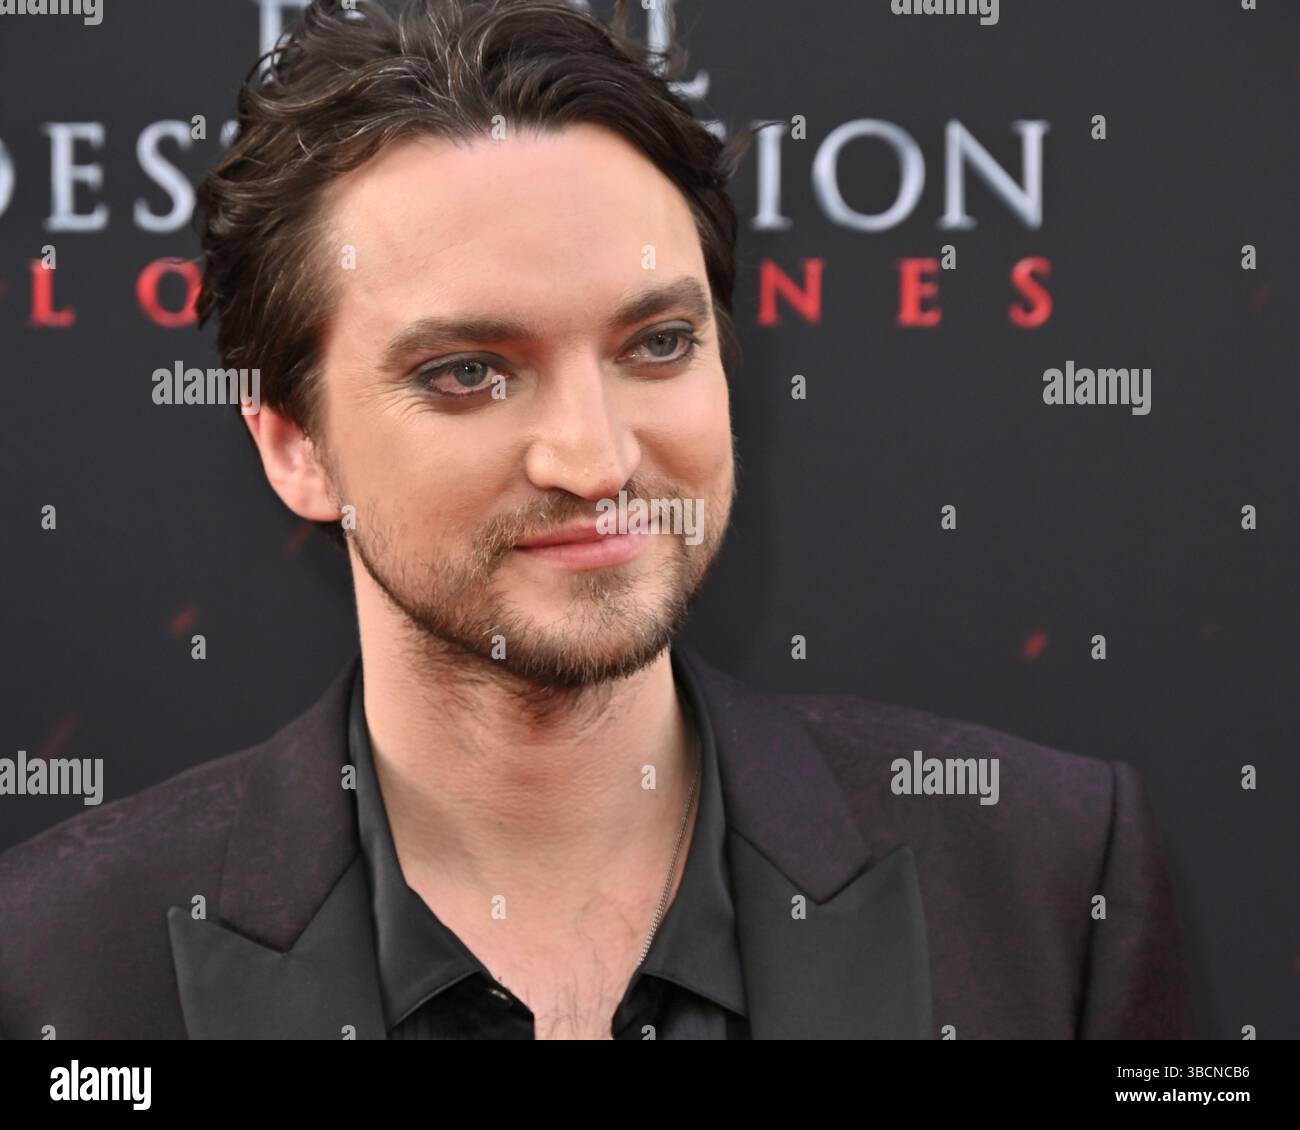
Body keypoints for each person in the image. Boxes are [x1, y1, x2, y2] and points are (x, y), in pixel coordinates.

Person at [0, 0, 1197, 1040]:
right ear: (294, 445)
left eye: (657, 343)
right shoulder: (55, 962)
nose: (597, 457)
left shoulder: (1048, 878)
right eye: (469, 372)